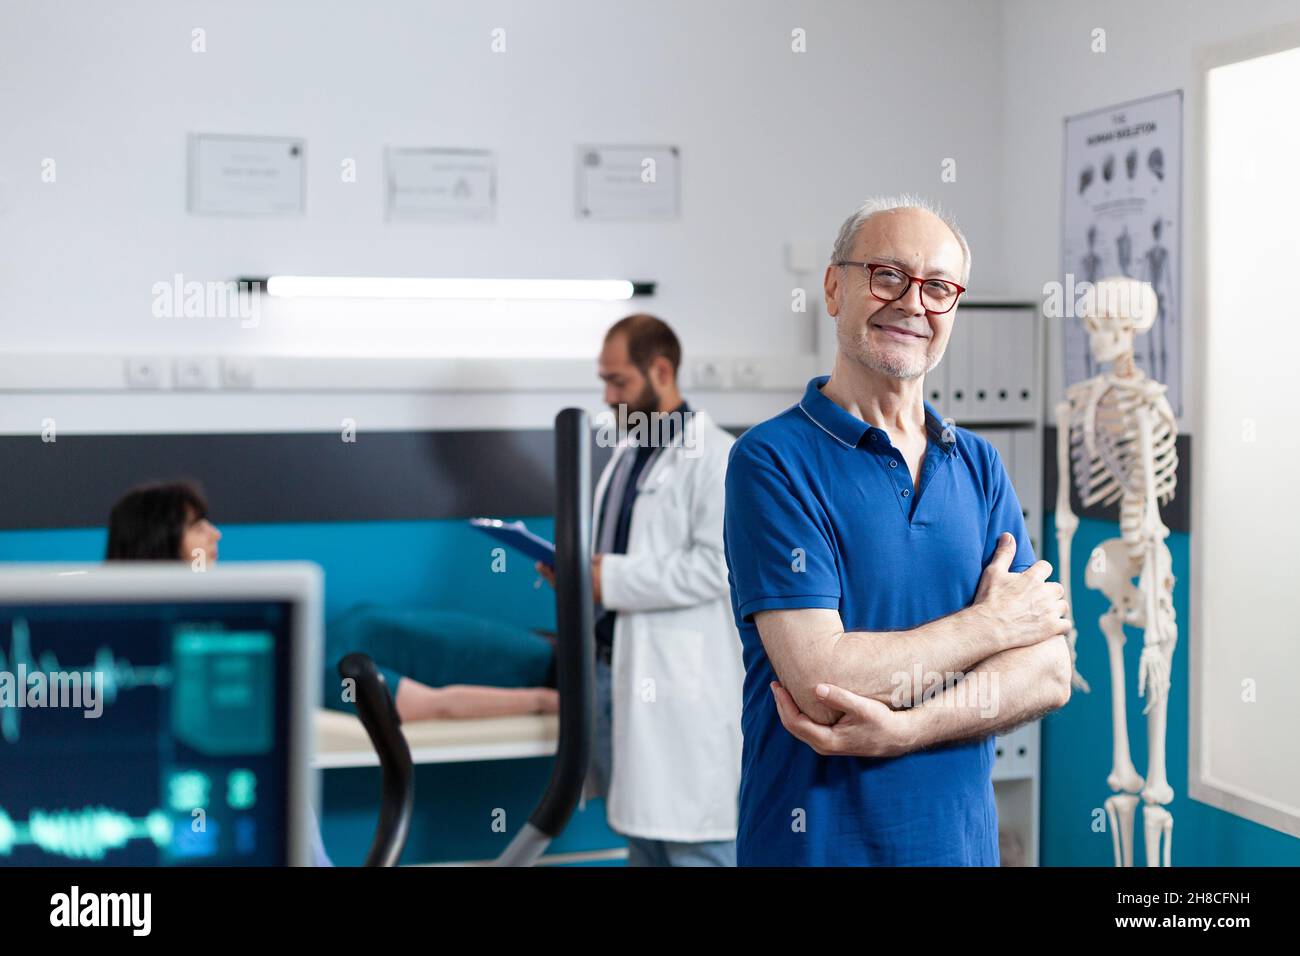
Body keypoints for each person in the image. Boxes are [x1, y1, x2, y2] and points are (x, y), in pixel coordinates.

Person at [723, 195, 1073, 866]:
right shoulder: (772, 460)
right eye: (887, 274)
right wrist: (989, 628)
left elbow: (1050, 672)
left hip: (959, 848)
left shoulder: (977, 462)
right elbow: (821, 679)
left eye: (938, 287)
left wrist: (905, 729)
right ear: (834, 287)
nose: (913, 303)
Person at [540, 314, 743, 866]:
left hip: (685, 689)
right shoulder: (628, 456)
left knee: (694, 842)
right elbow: (627, 553)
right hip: (622, 675)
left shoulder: (717, 457)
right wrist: (580, 573)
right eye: (603, 381)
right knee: (645, 841)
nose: (607, 396)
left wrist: (610, 578)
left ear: (660, 370)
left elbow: (718, 568)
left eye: (618, 381)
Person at [105, 481, 558, 723]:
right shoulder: (323, 671)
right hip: (543, 665)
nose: (216, 534)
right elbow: (437, 704)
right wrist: (545, 701)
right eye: (199, 525)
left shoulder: (225, 632)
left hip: (365, 643)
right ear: (163, 541)